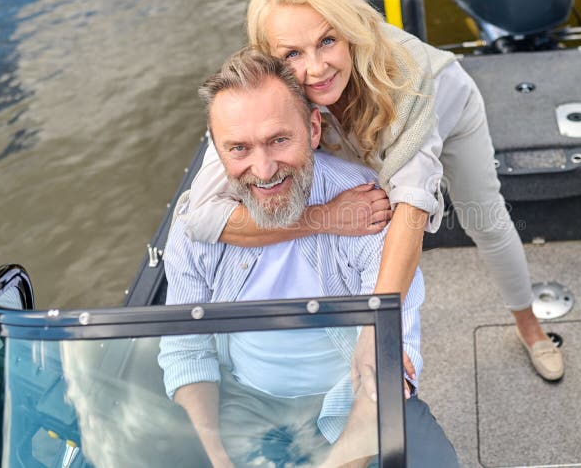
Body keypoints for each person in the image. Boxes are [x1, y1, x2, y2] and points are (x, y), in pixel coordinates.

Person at [180, 0, 563, 381]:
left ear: (350, 32)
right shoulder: (262, 97)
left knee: (483, 219)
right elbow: (199, 217)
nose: (316, 68)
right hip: (352, 135)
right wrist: (323, 217)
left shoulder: (411, 77)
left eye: (327, 41)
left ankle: (531, 328)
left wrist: (376, 330)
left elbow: (411, 209)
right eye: (291, 54)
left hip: (446, 109)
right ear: (268, 58)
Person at [158, 48, 459, 467]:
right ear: (217, 149)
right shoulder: (196, 224)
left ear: (314, 129)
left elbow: (392, 365)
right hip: (244, 405)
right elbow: (186, 348)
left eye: (279, 140)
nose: (263, 170)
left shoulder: (368, 208)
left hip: (354, 400)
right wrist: (215, 457)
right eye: (239, 149)